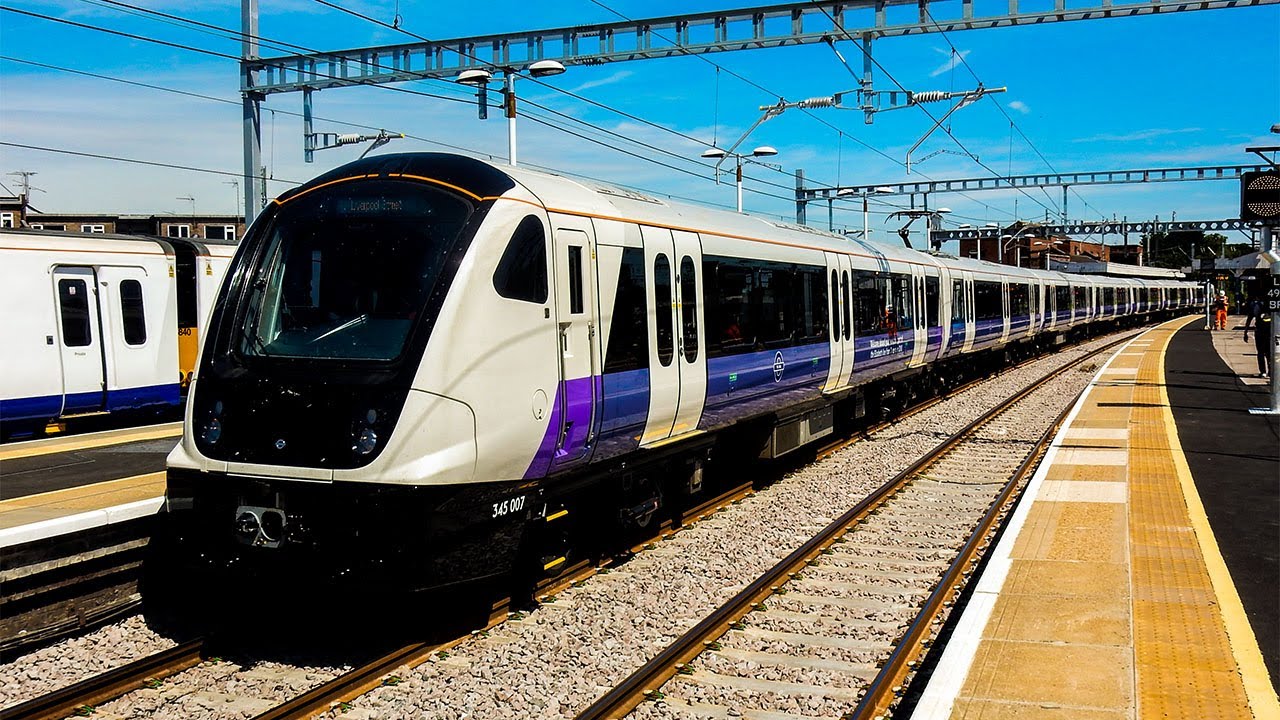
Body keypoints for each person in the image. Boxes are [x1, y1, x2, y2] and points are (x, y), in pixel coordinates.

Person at [1243, 296, 1272, 378]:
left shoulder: (1255, 305)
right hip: (1267, 331)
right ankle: (1269, 370)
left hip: (1261, 331)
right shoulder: (1270, 305)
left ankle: (1264, 371)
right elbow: (1249, 318)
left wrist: (1246, 332)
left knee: (1262, 352)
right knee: (1268, 352)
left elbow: (1249, 318)